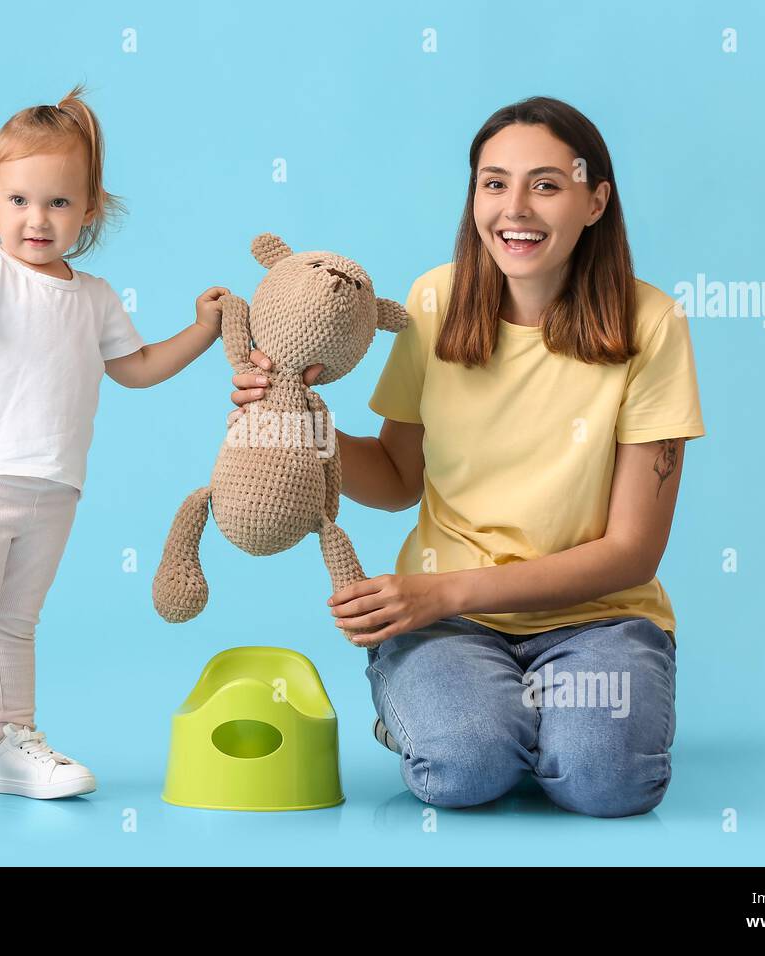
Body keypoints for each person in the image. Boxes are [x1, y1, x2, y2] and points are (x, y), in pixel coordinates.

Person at [229, 96, 705, 817]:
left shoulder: (652, 323)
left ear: (596, 200)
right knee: (462, 770)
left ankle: (516, 723)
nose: (515, 209)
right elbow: (394, 481)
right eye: (493, 183)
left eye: (546, 184)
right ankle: (466, 717)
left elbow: (633, 552)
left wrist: (443, 593)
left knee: (606, 783)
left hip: (596, 619)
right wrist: (295, 419)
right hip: (449, 624)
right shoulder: (435, 300)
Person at [0, 85, 230, 810]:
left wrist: (202, 330)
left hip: (55, 486)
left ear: (90, 206)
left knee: (16, 623)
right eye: (17, 201)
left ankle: (8, 743)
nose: (36, 220)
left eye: (58, 204)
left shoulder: (95, 296)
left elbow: (135, 370)